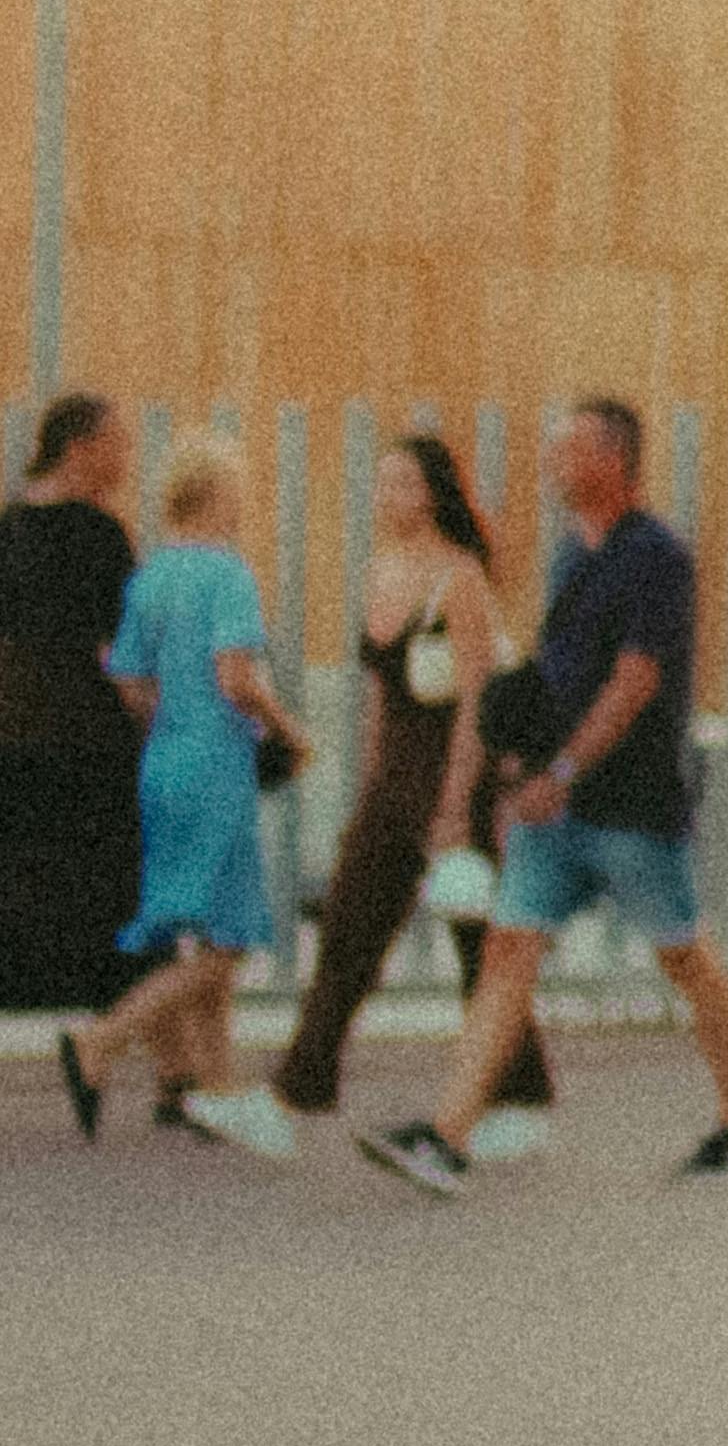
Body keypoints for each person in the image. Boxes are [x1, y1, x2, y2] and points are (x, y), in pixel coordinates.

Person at [356, 397, 728, 1191]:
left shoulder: (658, 557)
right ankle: (446, 1136)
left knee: (685, 958)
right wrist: (519, 763)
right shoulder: (570, 555)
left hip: (630, 806)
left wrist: (564, 772)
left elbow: (637, 680)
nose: (550, 460)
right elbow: (560, 671)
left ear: (614, 460)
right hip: (554, 802)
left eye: (568, 449)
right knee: (509, 950)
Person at [185, 433, 554, 1158]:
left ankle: (522, 1099)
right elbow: (381, 690)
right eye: (382, 484)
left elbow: (480, 701)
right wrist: (371, 779)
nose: (390, 499)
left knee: (479, 944)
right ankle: (298, 1092)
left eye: (405, 485)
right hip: (394, 783)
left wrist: (455, 805)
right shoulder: (378, 571)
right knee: (349, 933)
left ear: (436, 493)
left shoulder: (461, 579)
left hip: (455, 780)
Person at [58, 440, 305, 1132]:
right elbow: (237, 679)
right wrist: (290, 730)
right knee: (226, 944)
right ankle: (99, 1041)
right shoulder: (228, 575)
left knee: (204, 934)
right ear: (219, 497)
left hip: (162, 763)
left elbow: (131, 680)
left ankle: (216, 1088)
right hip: (217, 767)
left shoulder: (151, 578)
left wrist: (169, 718)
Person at [0, 394, 143, 1017]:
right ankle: (106, 1007)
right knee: (103, 873)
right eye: (117, 445)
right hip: (89, 731)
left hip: (18, 724)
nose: (125, 459)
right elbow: (123, 648)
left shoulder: (10, 527)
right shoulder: (102, 534)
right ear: (81, 448)